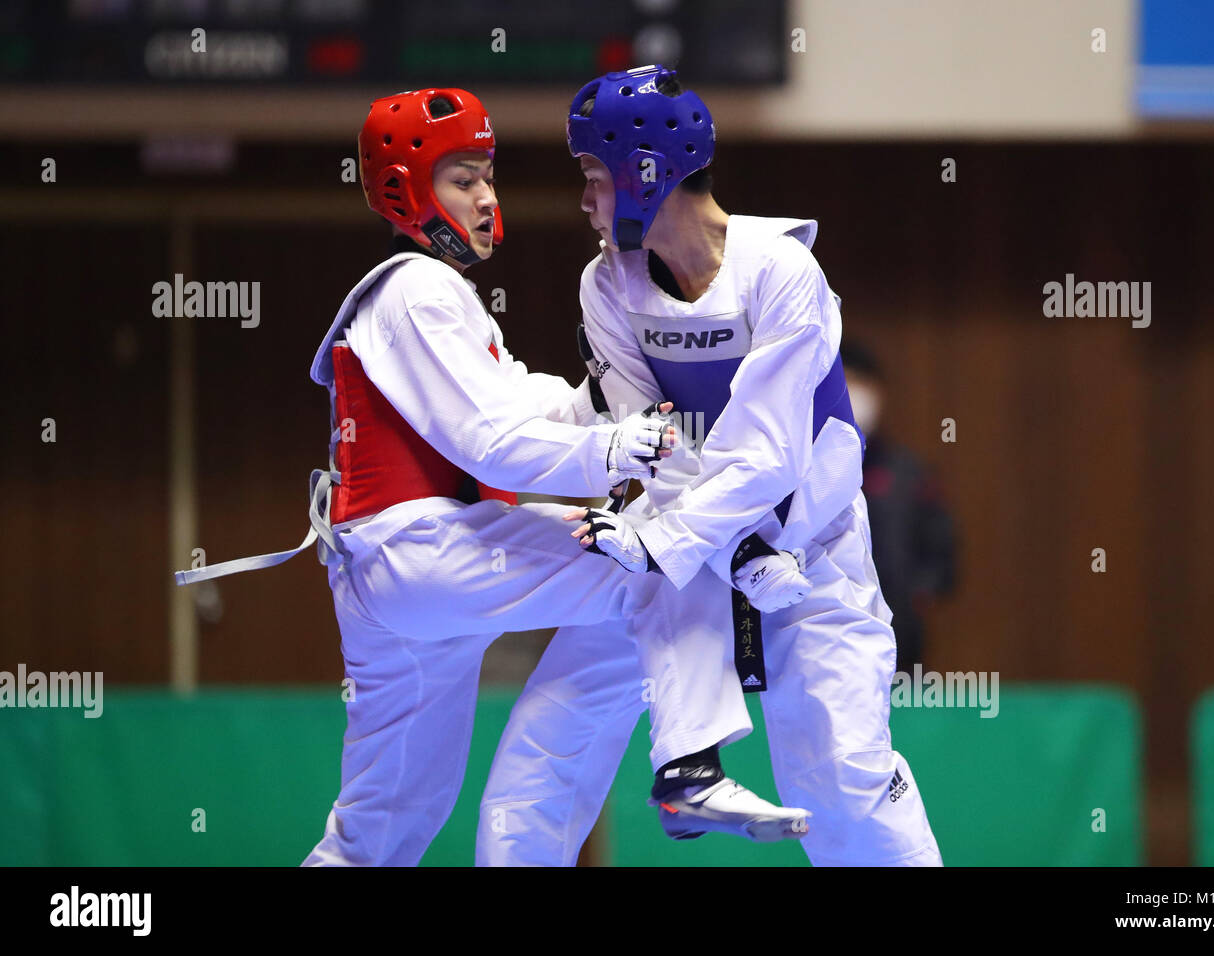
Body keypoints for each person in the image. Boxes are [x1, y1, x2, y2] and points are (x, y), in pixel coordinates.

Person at [175, 87, 800, 864]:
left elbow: (516, 404)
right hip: (427, 549)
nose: (485, 198)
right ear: (407, 189)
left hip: (390, 586)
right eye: (462, 180)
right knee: (657, 561)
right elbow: (491, 442)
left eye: (488, 177)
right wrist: (619, 447)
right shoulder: (416, 289)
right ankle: (690, 766)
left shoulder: (428, 297)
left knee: (383, 828)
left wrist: (609, 399)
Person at [476, 66, 943, 866]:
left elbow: (767, 453)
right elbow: (644, 441)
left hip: (808, 559)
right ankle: (683, 769)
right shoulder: (606, 286)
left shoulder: (782, 272)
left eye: (593, 178)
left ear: (643, 173)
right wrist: (700, 547)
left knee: (846, 784)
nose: (585, 201)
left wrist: (698, 544)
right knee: (541, 760)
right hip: (678, 563)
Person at [841, 342, 957, 672]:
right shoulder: (801, 469)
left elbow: (941, 548)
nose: (855, 395)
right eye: (845, 382)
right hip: (820, 631)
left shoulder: (907, 472)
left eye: (861, 384)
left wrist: (918, 595)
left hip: (898, 636)